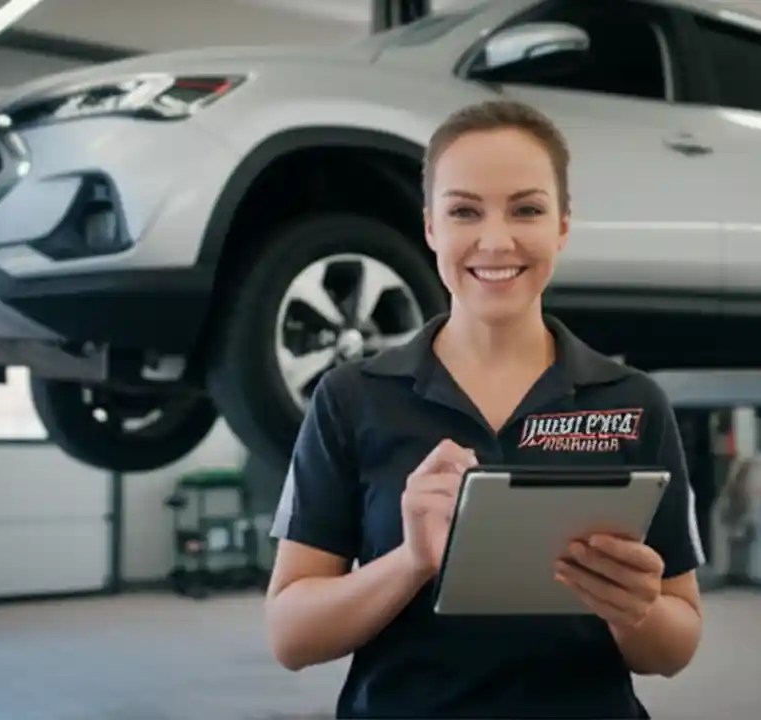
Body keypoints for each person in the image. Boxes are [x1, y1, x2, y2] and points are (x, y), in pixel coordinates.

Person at [264, 99, 704, 719]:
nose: (496, 241)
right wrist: (411, 563)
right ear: (430, 228)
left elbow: (674, 645)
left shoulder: (631, 403)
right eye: (465, 211)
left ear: (563, 225)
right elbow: (290, 636)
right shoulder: (351, 398)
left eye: (526, 209)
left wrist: (635, 610)